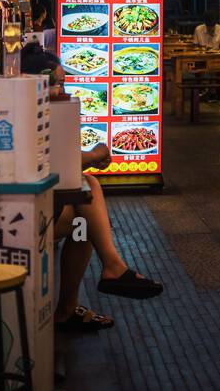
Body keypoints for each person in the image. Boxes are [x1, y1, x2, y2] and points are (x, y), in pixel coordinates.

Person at [21, 44, 164, 333]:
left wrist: (89, 157)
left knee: (84, 223)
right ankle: (108, 270)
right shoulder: (25, 111)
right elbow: (51, 160)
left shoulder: (37, 108)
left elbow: (55, 159)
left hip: (32, 203)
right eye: (56, 83)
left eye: (63, 82)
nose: (62, 90)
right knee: (85, 213)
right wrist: (96, 155)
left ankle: (72, 304)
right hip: (19, 214)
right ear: (35, 81)